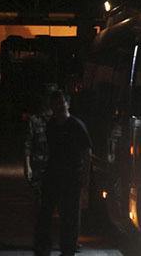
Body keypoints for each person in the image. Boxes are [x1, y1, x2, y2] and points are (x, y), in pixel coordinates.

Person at [34, 90, 92, 256]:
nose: (59, 106)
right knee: (45, 213)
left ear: (67, 104)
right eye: (55, 103)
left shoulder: (76, 125)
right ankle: (43, 248)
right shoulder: (51, 125)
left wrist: (85, 179)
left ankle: (67, 250)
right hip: (52, 176)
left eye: (61, 102)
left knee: (70, 217)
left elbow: (87, 152)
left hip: (71, 178)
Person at [24, 96, 52, 204]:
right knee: (39, 198)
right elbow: (27, 144)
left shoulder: (59, 120)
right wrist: (27, 166)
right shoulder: (34, 120)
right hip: (38, 165)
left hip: (53, 165)